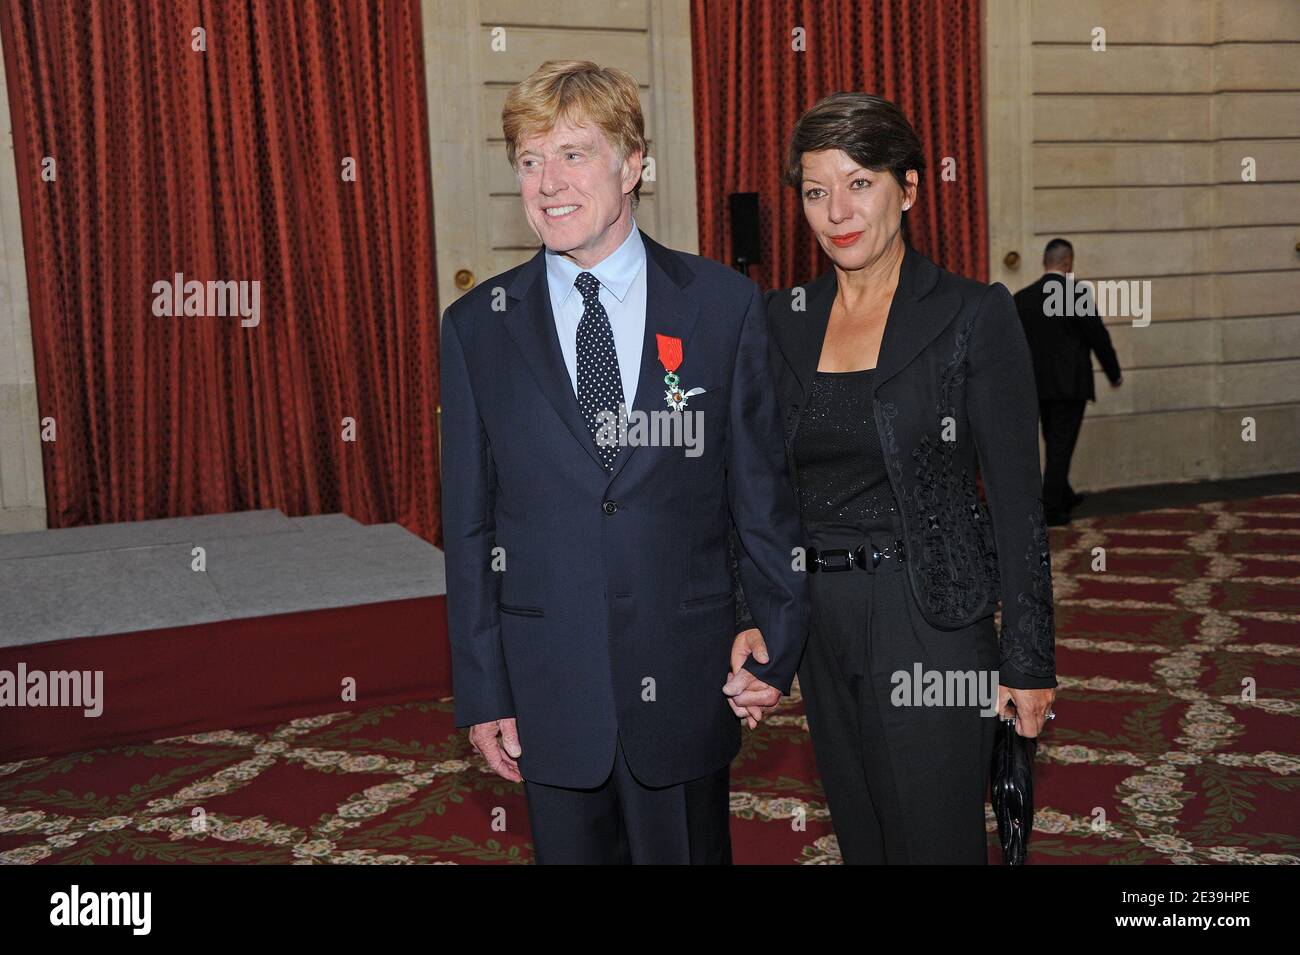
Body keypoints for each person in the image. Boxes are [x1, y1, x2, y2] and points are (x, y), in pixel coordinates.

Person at [439, 60, 809, 864]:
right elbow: (469, 528)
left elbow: (758, 493)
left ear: (633, 163)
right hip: (548, 690)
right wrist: (483, 688)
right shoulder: (476, 328)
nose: (547, 182)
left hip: (686, 677)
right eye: (530, 160)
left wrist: (775, 635)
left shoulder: (722, 305)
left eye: (573, 153)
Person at [730, 92, 1057, 864]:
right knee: (863, 839)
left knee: (933, 841)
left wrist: (1030, 661)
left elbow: (1018, 505)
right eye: (815, 191)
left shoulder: (974, 314)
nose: (836, 210)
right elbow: (758, 489)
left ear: (908, 188)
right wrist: (754, 613)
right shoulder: (782, 318)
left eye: (859, 182)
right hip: (822, 620)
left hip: (932, 620)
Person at [1013, 238, 1123, 526]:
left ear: (1044, 262)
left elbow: (1012, 345)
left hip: (1036, 385)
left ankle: (1064, 492)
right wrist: (1114, 373)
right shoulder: (1076, 294)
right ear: (1068, 262)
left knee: (1054, 440)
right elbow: (1098, 337)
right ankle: (1051, 508)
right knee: (1061, 444)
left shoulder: (1022, 298)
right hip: (1070, 384)